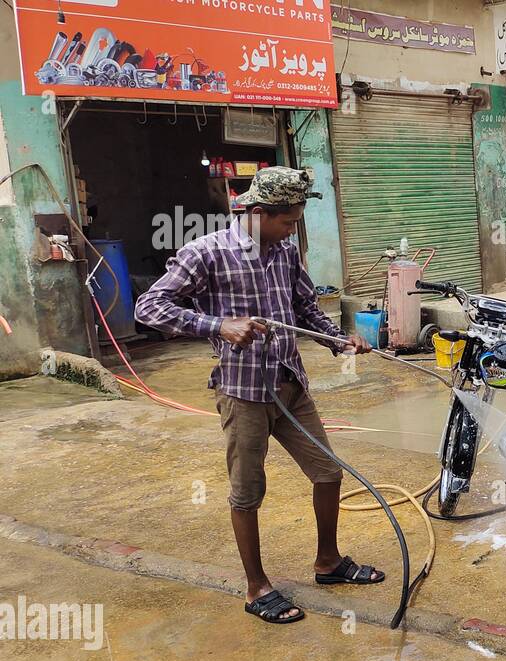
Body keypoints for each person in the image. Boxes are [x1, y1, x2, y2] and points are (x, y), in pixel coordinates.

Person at [134, 167, 379, 625]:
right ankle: (256, 587)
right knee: (248, 492)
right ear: (260, 213)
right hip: (242, 391)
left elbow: (305, 307)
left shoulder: (284, 252)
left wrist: (338, 338)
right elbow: (149, 307)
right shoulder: (204, 253)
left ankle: (328, 563)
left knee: (328, 473)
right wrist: (218, 325)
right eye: (288, 222)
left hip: (290, 384)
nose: (292, 231)